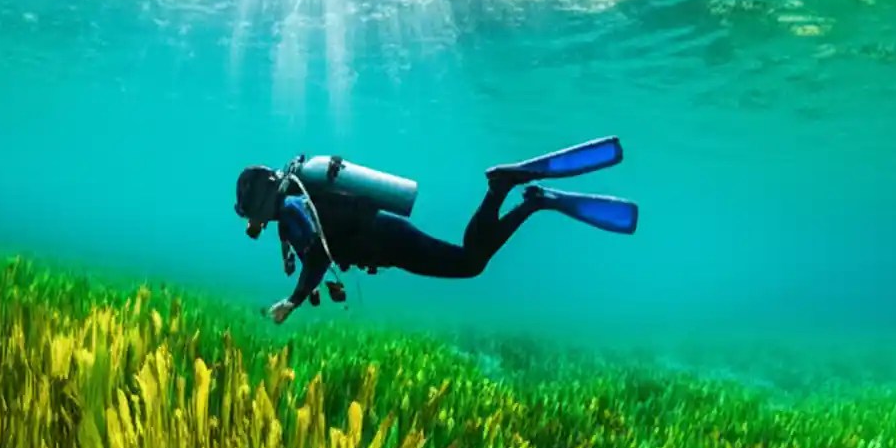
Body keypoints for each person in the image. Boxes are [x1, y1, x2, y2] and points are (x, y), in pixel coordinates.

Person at [233, 136, 639, 324]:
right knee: (469, 262)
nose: (252, 223)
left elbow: (320, 254)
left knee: (469, 262)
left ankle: (503, 190)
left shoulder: (290, 210)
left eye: (249, 213)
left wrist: (294, 300)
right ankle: (534, 202)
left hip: (389, 240)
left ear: (258, 203)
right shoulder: (294, 202)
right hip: (386, 238)